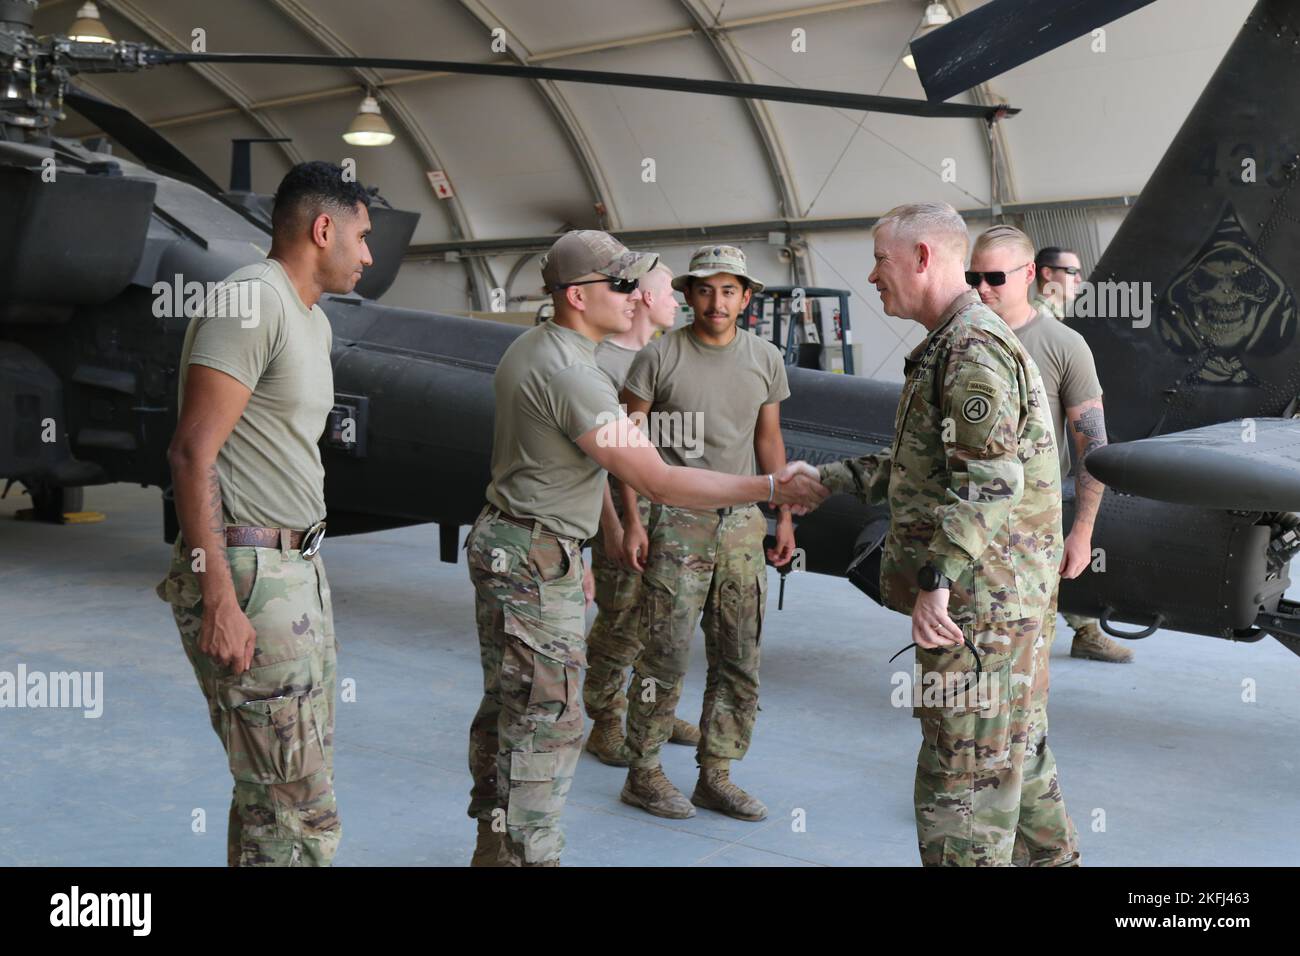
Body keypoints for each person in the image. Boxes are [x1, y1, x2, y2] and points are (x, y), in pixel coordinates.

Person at [465, 230, 825, 867]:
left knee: (509, 711)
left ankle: (496, 851)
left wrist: (572, 549)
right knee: (546, 725)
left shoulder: (536, 345)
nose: (637, 298)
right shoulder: (576, 374)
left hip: (525, 544)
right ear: (578, 296)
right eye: (623, 285)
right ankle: (527, 854)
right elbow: (658, 478)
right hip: (534, 552)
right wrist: (772, 487)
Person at [810, 202, 1079, 866]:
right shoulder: (956, 341)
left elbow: (992, 478)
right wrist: (827, 480)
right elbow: (931, 465)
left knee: (961, 786)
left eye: (880, 259)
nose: (873, 276)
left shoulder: (968, 346)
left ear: (923, 258)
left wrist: (936, 582)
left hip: (978, 613)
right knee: (1018, 756)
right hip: (1003, 609)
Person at [156, 160, 373, 866]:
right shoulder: (254, 299)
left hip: (296, 570)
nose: (367, 255)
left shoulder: (308, 319)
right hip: (250, 572)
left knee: (274, 795)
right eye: (361, 236)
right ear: (322, 228)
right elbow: (193, 452)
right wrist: (218, 595)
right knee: (299, 809)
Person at [616, 244, 794, 823]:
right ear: (689, 295)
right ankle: (642, 772)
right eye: (704, 289)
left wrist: (783, 514)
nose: (716, 301)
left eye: (729, 290)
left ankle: (715, 776)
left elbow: (768, 442)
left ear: (746, 298)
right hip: (676, 522)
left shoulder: (765, 357)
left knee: (740, 656)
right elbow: (624, 444)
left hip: (742, 523)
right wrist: (634, 519)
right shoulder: (658, 356)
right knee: (663, 654)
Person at [583, 262, 701, 767]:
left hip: (670, 513)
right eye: (670, 293)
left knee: (662, 621)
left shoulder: (668, 356)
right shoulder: (603, 363)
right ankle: (605, 718)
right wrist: (618, 524)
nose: (679, 301)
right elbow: (599, 460)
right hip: (625, 505)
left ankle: (647, 708)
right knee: (621, 618)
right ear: (647, 299)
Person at [1013, 239, 1130, 662]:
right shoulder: (1035, 327)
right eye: (1071, 272)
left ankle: (1081, 629)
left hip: (1047, 468)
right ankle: (1080, 631)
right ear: (1045, 275)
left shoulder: (1059, 327)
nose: (1079, 280)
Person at [1031, 246, 1084, 320]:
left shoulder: (1048, 315)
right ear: (1047, 273)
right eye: (1072, 271)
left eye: (1078, 272)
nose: (1079, 279)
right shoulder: (1039, 316)